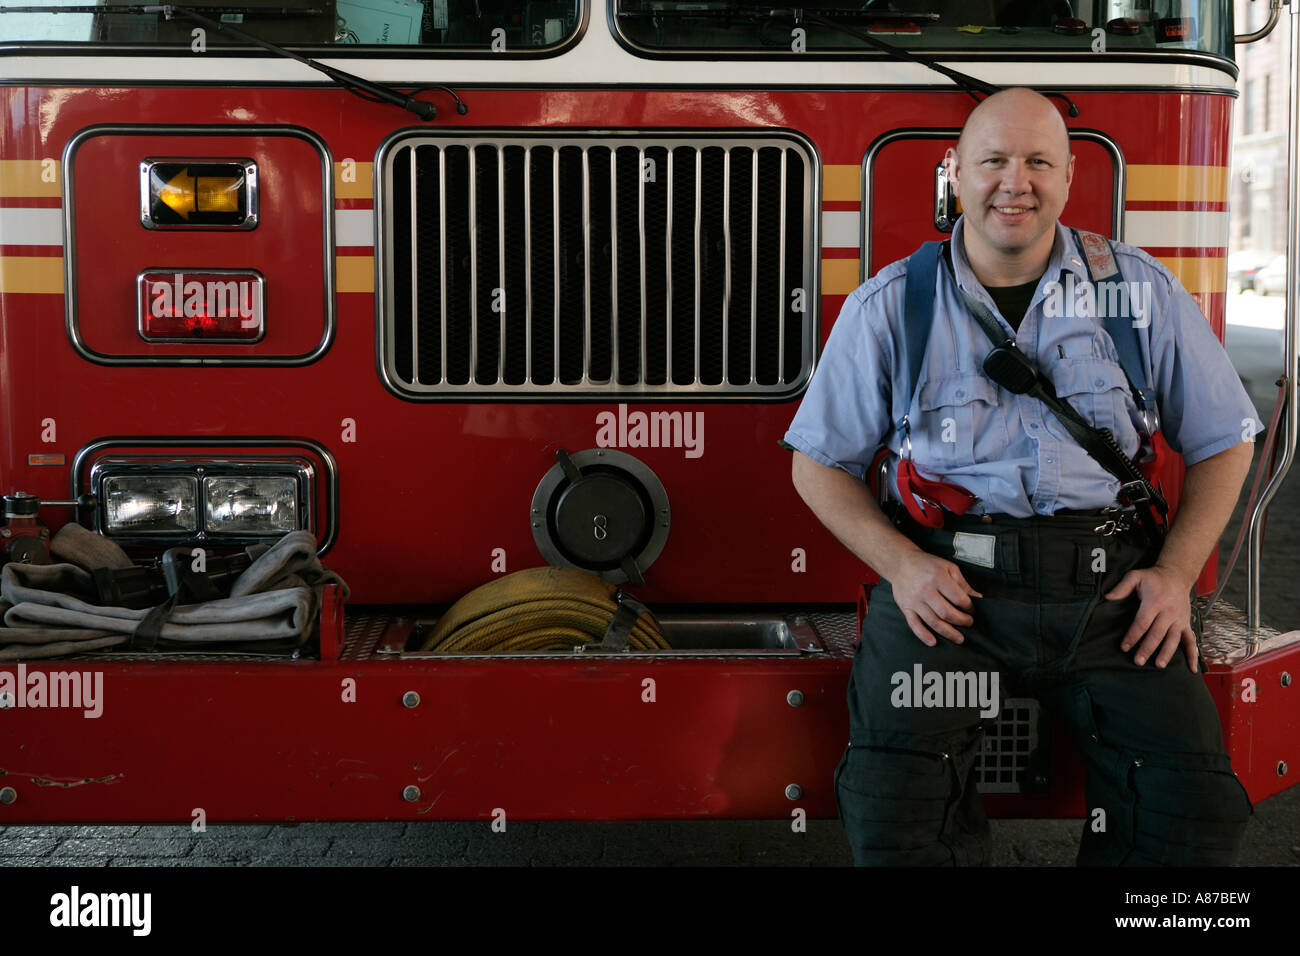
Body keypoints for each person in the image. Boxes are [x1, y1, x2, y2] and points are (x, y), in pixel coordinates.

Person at [784, 87, 1258, 866]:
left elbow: (1224, 440)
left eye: (1039, 161)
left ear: (1070, 178)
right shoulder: (890, 307)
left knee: (1188, 814)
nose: (1017, 182)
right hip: (950, 604)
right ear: (955, 174)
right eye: (994, 161)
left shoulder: (1137, 294)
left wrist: (1175, 575)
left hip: (1112, 604)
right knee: (901, 817)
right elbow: (818, 463)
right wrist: (903, 569)